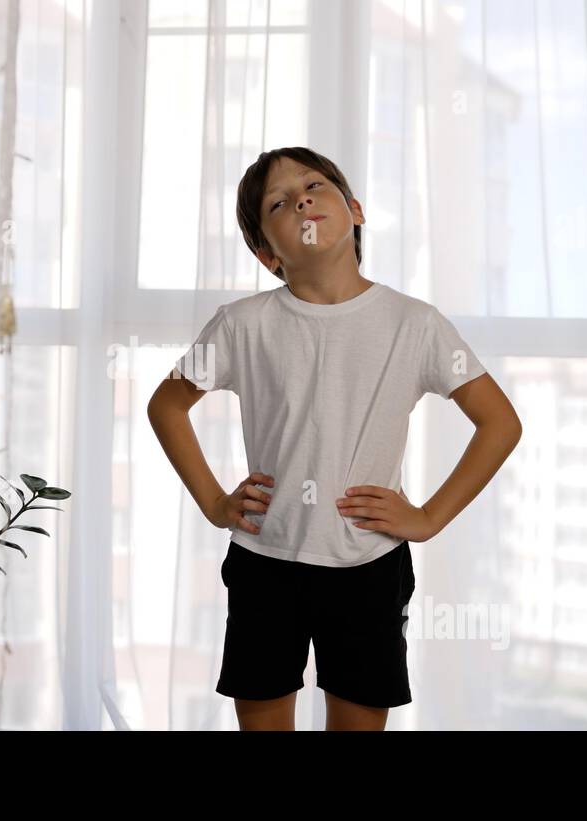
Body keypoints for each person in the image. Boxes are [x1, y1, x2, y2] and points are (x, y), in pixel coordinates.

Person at [147, 147, 523, 731]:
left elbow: (501, 424)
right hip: (264, 561)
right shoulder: (241, 324)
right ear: (266, 252)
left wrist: (427, 518)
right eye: (277, 201)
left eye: (314, 185)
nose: (300, 197)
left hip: (368, 566)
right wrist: (216, 503)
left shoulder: (415, 324)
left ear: (355, 209)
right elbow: (167, 406)